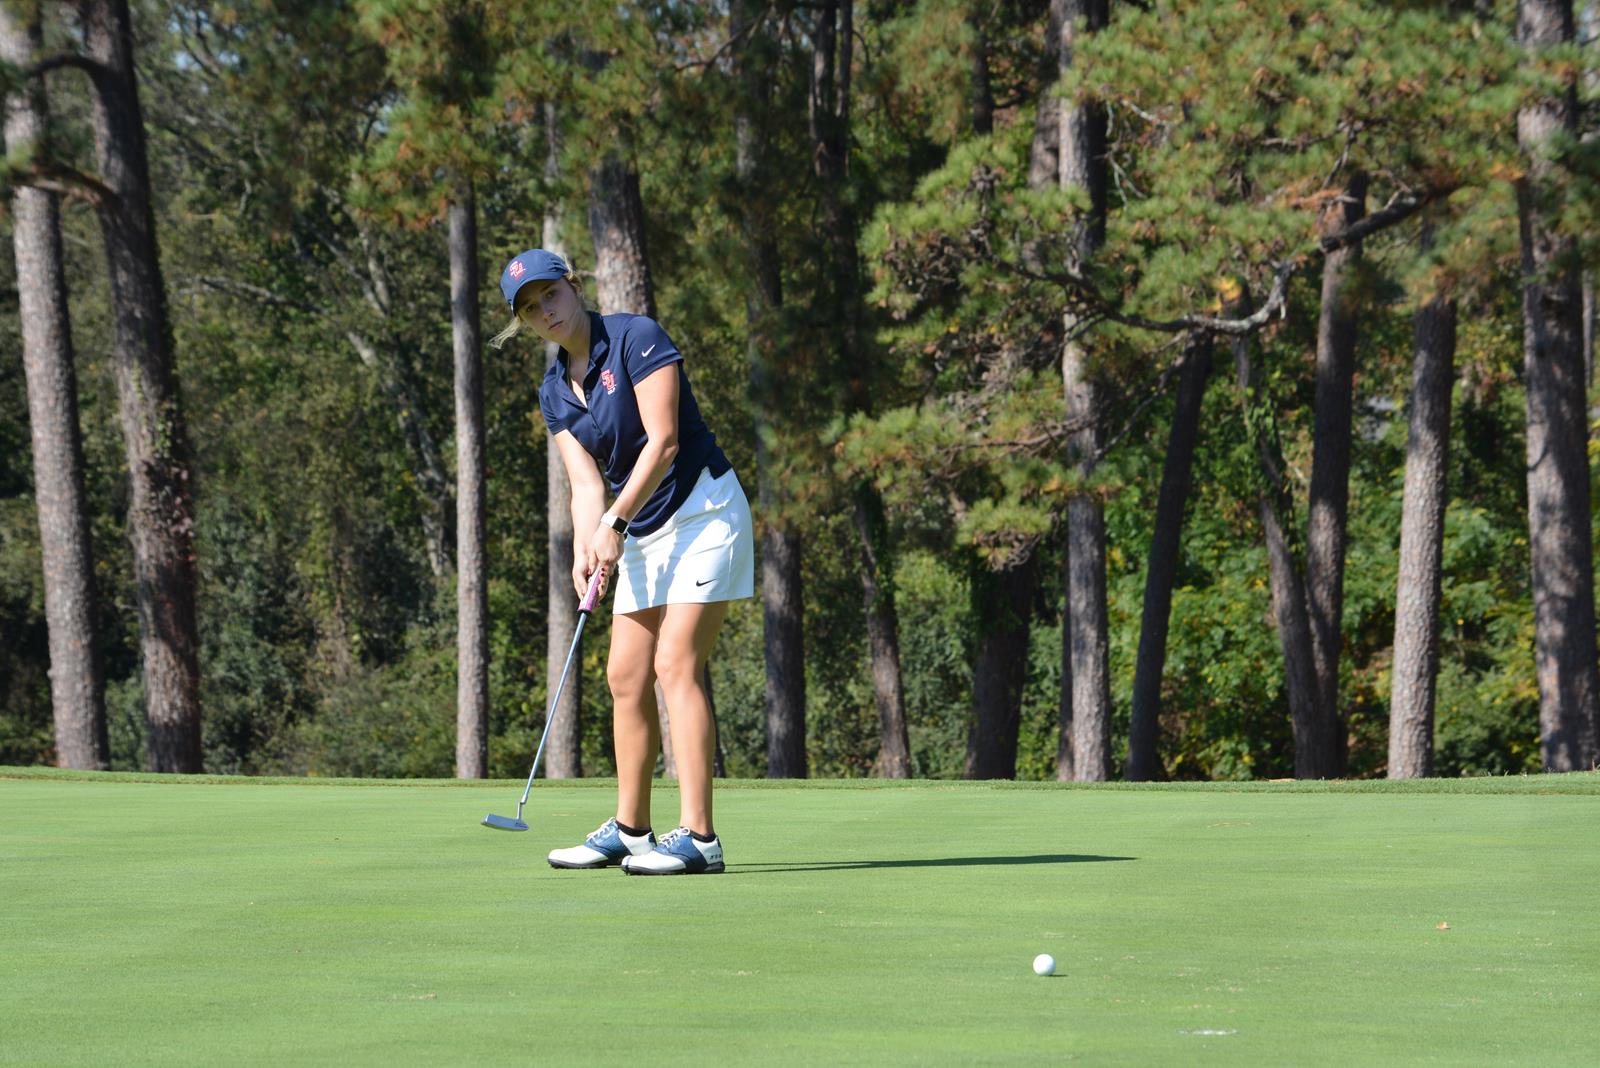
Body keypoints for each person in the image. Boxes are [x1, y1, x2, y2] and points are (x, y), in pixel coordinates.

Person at [493, 248, 754, 875]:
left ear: (572, 286)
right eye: (529, 310)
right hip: (641, 528)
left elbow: (663, 442)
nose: (545, 312)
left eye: (549, 295)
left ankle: (699, 838)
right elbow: (585, 486)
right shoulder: (555, 390)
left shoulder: (637, 336)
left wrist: (614, 522)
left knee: (674, 663)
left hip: (705, 511)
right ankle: (633, 830)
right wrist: (590, 547)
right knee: (625, 677)